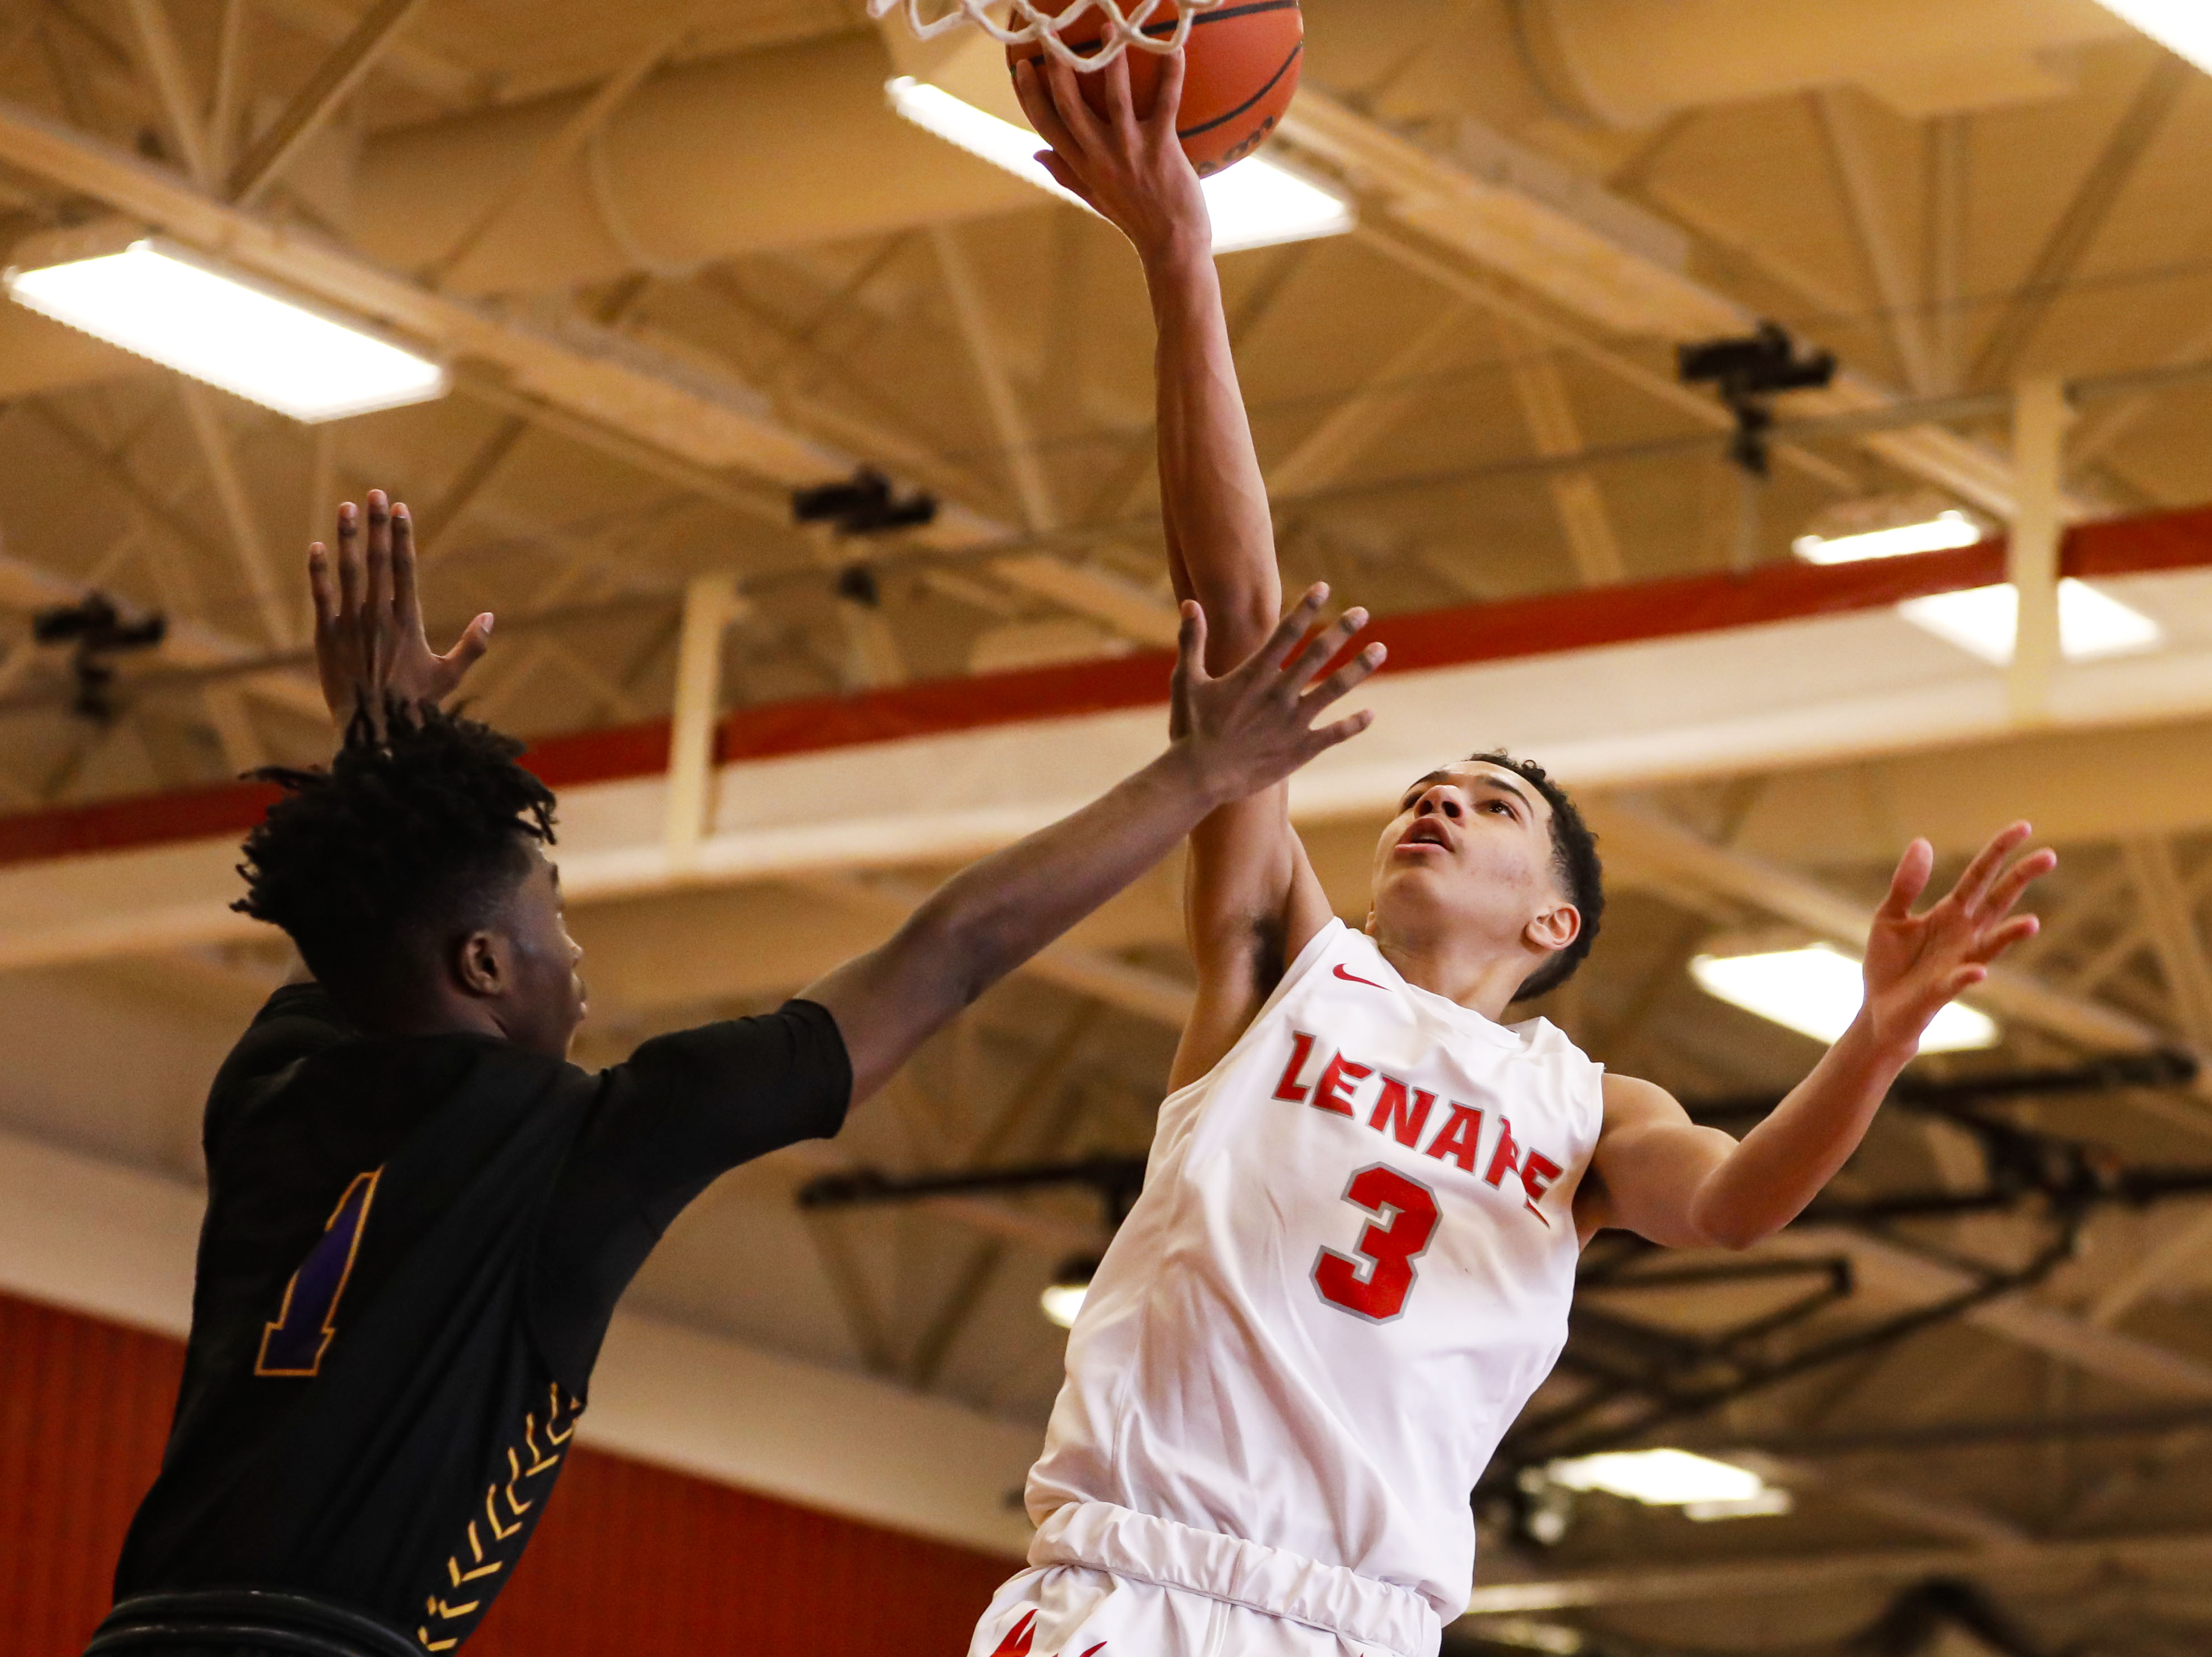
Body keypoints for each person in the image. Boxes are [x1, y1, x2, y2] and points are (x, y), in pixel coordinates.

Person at [970, 52, 2060, 1657]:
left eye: (1488, 802)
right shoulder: (1286, 958)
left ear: (1554, 913)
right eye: (1427, 786)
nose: (1436, 802)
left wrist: (1879, 1038)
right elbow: (1237, 608)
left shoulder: (1587, 1111)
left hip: (1364, 1628)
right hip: (1138, 1586)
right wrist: (1183, 258)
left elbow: (1745, 1205)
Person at [83, 490, 1390, 1657]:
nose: (577, 951)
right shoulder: (581, 1148)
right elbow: (949, 954)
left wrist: (387, 753)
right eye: (554, 916)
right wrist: (1203, 770)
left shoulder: (273, 1078)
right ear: (482, 962)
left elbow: (371, 929)